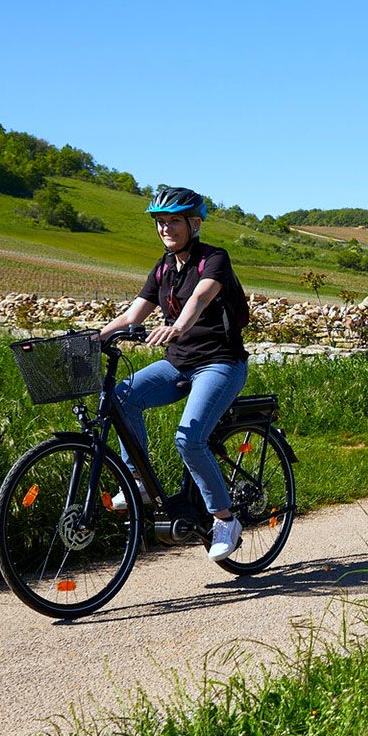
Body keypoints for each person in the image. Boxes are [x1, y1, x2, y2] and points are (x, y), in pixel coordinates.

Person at [97, 186, 252, 560]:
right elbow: (133, 315)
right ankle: (140, 483)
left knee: (189, 438)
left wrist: (178, 326)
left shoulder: (214, 259)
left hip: (220, 362)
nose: (166, 228)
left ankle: (225, 518)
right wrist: (91, 338)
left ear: (194, 224)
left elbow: (200, 298)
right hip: (178, 363)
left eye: (174, 222)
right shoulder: (164, 267)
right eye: (161, 222)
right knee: (122, 396)